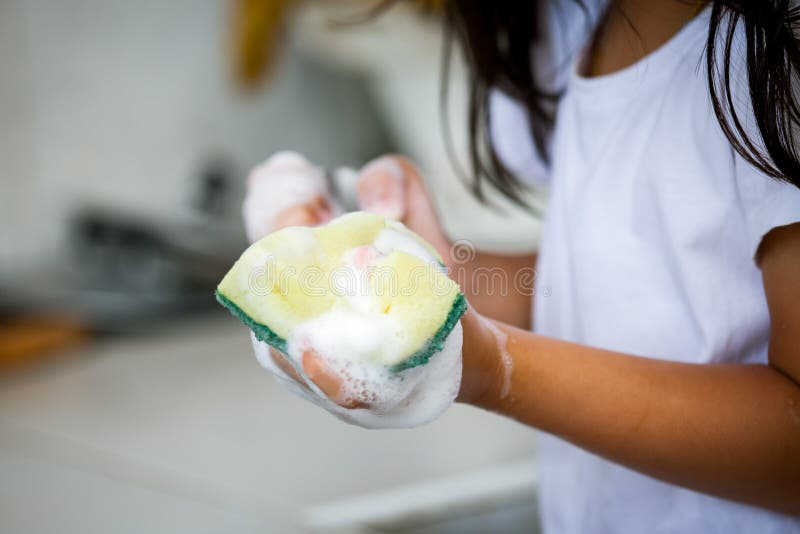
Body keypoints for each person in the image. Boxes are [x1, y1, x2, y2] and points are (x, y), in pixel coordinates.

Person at [244, 1, 800, 531]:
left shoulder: (773, 60)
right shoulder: (579, 24)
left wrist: (498, 369)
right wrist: (428, 276)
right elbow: (612, 288)